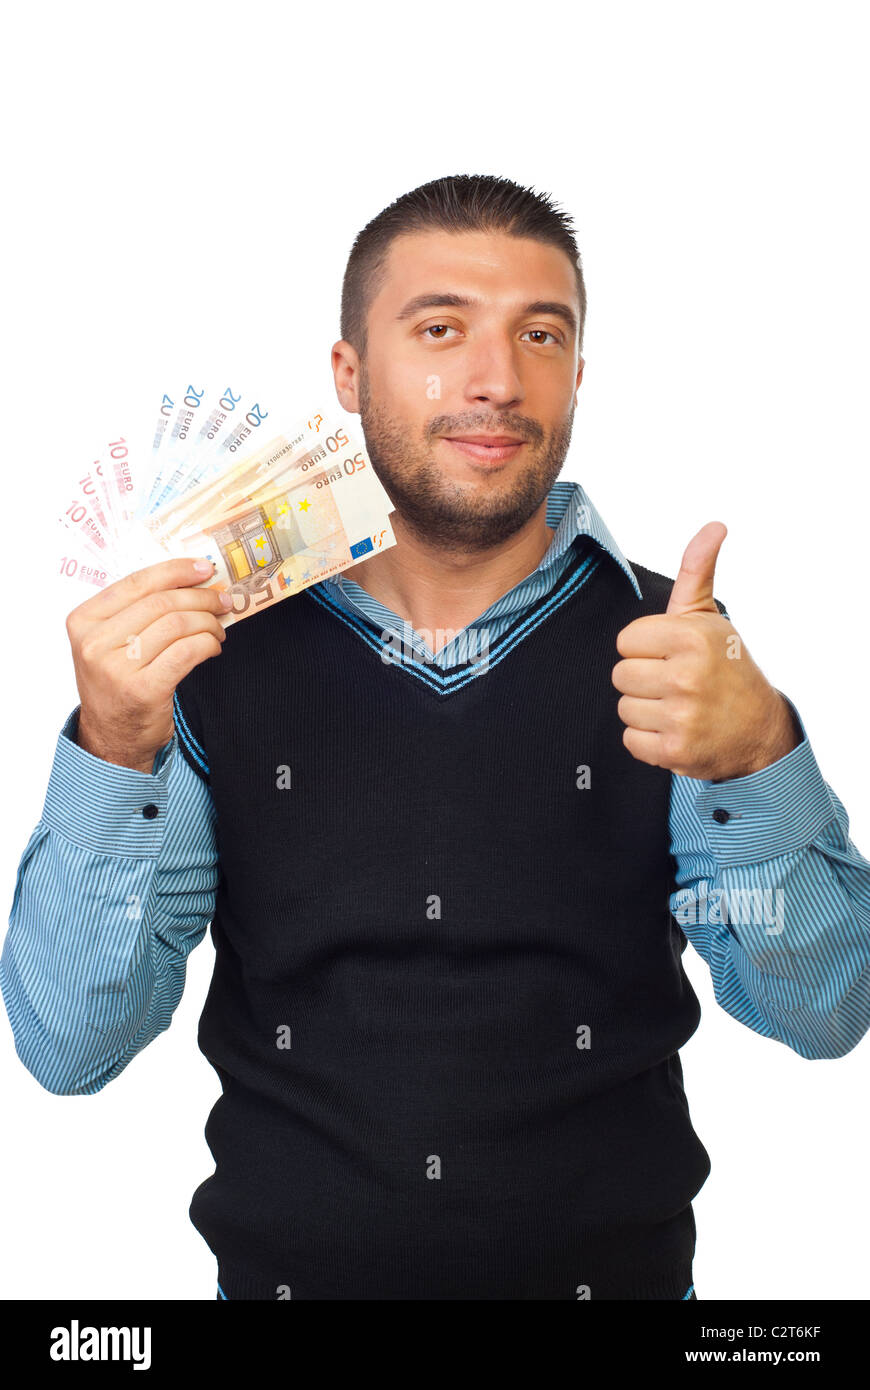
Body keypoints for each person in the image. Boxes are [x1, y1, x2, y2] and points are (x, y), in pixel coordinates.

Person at [4, 174, 870, 1302]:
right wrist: (114, 750)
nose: (496, 382)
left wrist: (759, 757)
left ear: (577, 378)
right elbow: (73, 1046)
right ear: (348, 376)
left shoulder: (679, 654)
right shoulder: (209, 667)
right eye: (441, 328)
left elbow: (824, 1011)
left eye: (540, 334)